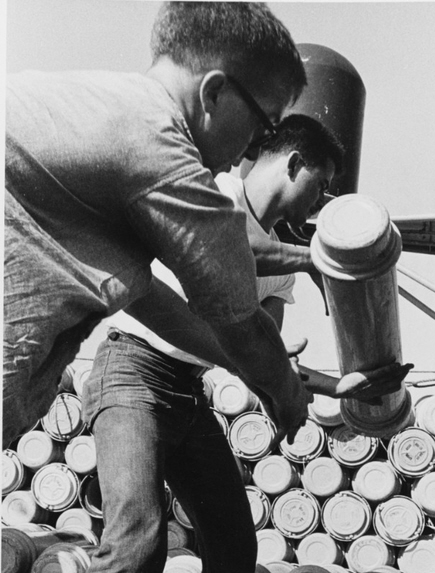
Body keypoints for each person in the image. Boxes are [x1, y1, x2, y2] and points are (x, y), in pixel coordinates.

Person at [46, 106, 411, 573]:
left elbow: (268, 355)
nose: (320, 203)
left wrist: (353, 386)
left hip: (187, 391)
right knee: (137, 531)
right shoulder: (212, 194)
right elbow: (231, 242)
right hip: (132, 369)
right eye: (320, 186)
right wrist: (332, 254)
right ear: (294, 164)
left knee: (234, 543)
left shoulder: (278, 262)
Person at [3, 1, 308, 449]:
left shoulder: (100, 105)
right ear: (214, 93)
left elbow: (153, 301)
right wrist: (286, 389)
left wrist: (255, 366)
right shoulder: (162, 153)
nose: (250, 153)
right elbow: (241, 321)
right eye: (262, 130)